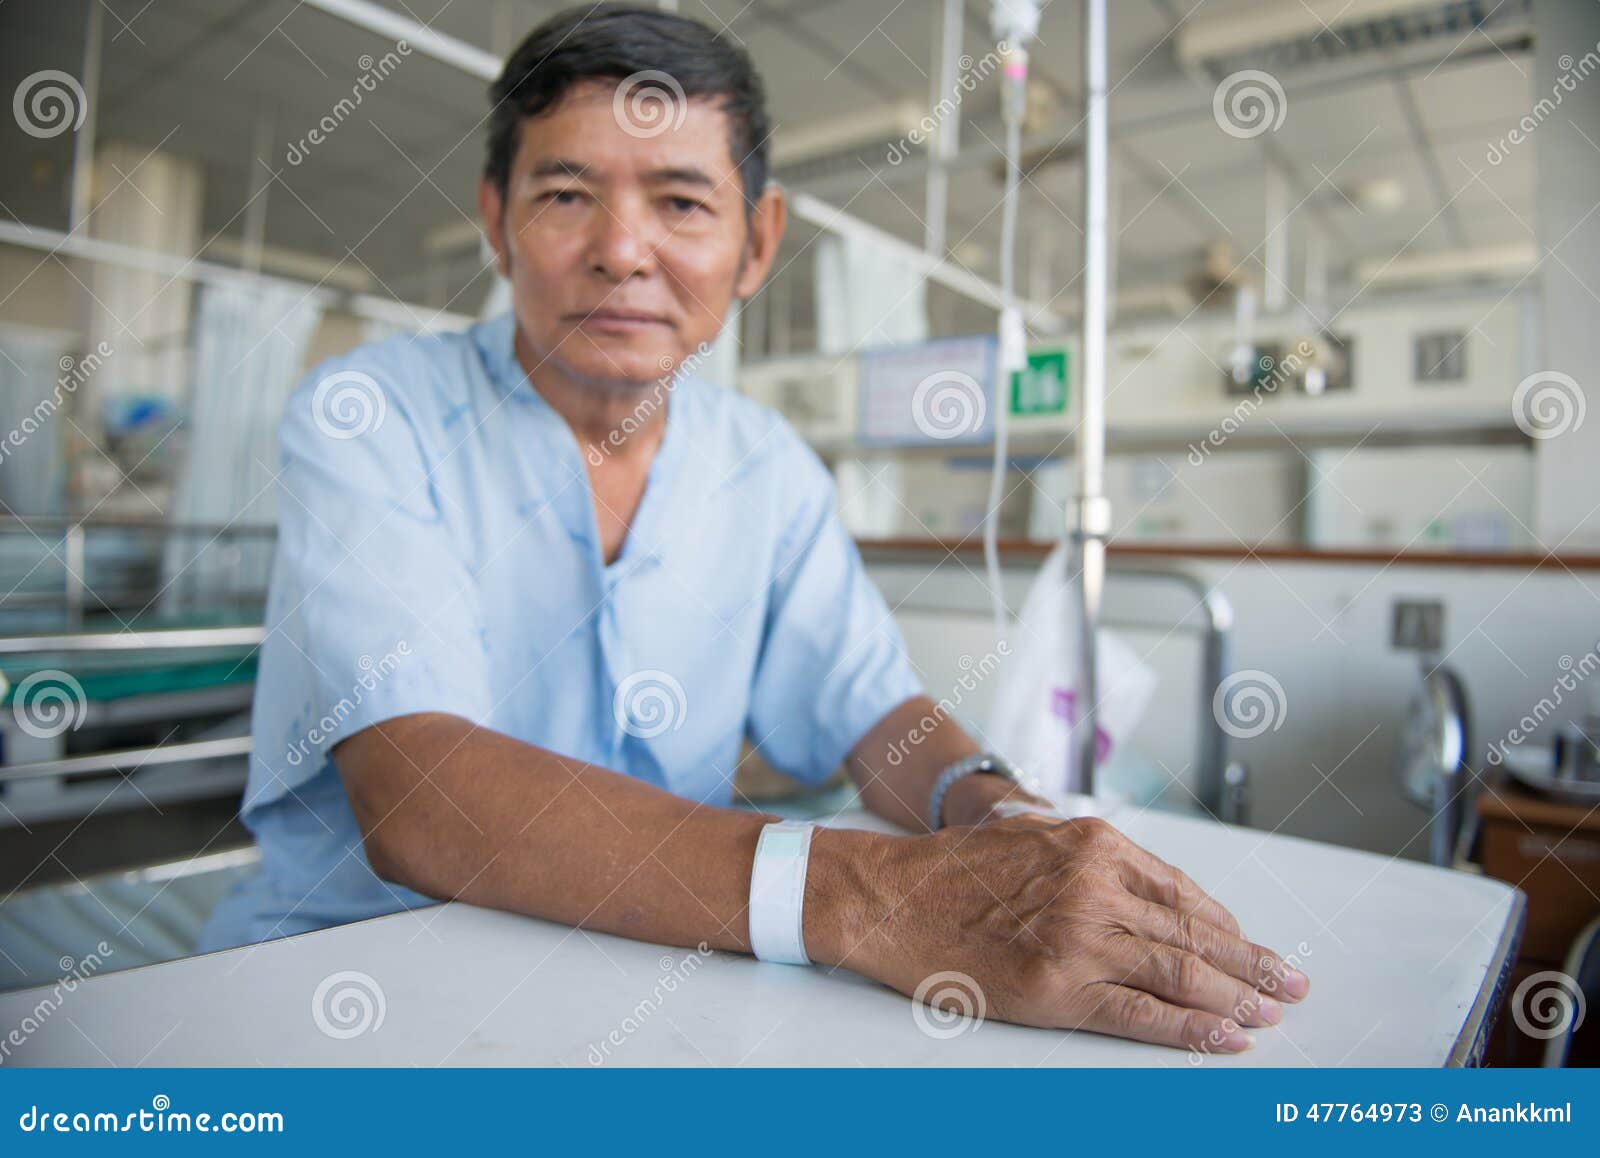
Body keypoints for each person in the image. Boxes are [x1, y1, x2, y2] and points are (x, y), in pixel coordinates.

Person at [201, 3, 1307, 1052]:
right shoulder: (371, 419)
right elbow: (422, 794)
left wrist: (998, 816)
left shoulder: (764, 466)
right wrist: (859, 895)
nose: (623, 251)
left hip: (650, 980)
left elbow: (875, 712)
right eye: (567, 194)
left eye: (681, 202)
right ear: (497, 220)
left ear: (756, 240)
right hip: (358, 986)